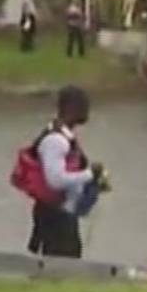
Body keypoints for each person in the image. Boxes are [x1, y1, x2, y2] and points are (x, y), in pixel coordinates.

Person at [20, 86, 106, 258]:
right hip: (55, 215)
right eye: (84, 105)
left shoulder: (65, 136)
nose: (87, 110)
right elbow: (55, 180)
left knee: (66, 262)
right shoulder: (56, 140)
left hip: (61, 212)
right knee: (62, 264)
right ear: (70, 107)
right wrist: (90, 174)